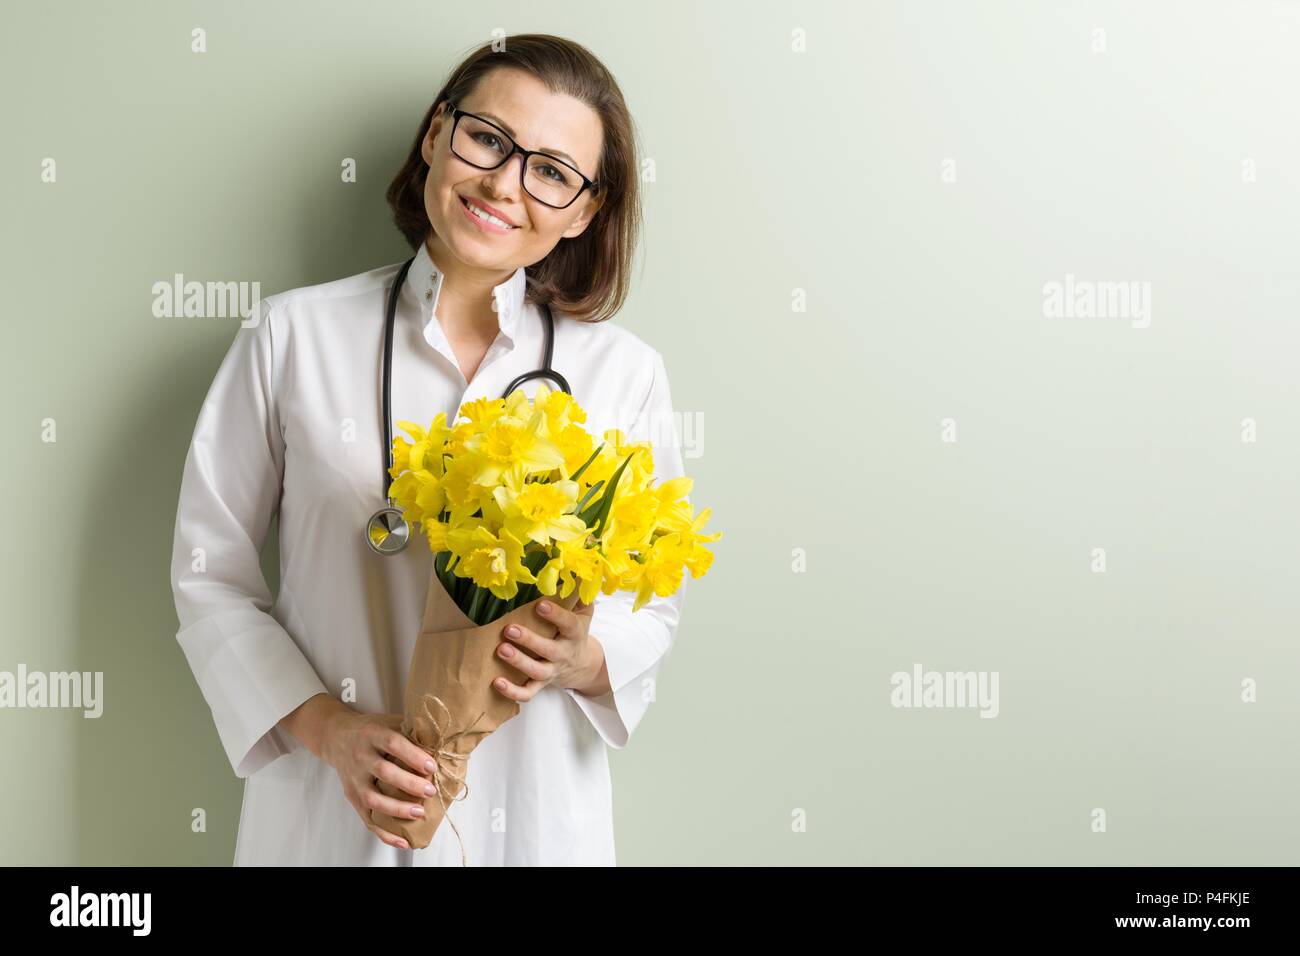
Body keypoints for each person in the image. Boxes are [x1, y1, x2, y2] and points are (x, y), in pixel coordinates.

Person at [170, 34, 689, 866]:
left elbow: (652, 610)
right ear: (437, 135)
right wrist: (328, 729)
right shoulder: (292, 336)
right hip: (329, 821)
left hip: (531, 817)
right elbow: (209, 577)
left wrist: (581, 657)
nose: (503, 184)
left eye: (552, 172)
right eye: (488, 138)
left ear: (585, 211)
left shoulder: (622, 375)